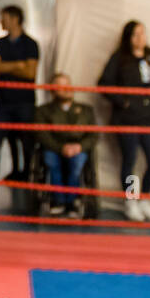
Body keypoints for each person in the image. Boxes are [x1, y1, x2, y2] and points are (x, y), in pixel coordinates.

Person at [98, 20, 150, 222]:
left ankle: (145, 199)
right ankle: (131, 200)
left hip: (149, 119)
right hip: (127, 119)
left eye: (142, 33)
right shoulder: (119, 58)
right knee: (131, 161)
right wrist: (124, 102)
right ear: (128, 37)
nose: (140, 38)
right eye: (135, 34)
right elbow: (104, 84)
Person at [0, 6, 39, 207]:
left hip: (24, 103)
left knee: (26, 145)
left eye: (4, 18)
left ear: (15, 19)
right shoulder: (0, 43)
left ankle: (29, 185)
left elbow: (30, 73)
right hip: (3, 102)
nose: (1, 21)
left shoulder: (31, 44)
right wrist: (19, 65)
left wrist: (8, 66)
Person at [33, 73, 96, 217]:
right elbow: (42, 134)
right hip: (54, 147)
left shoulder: (86, 110)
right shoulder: (43, 111)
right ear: (53, 91)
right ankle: (58, 201)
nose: (67, 88)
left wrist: (79, 147)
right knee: (51, 162)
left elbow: (93, 135)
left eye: (68, 84)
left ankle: (72, 202)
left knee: (77, 164)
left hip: (78, 148)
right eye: (61, 86)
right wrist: (60, 148)